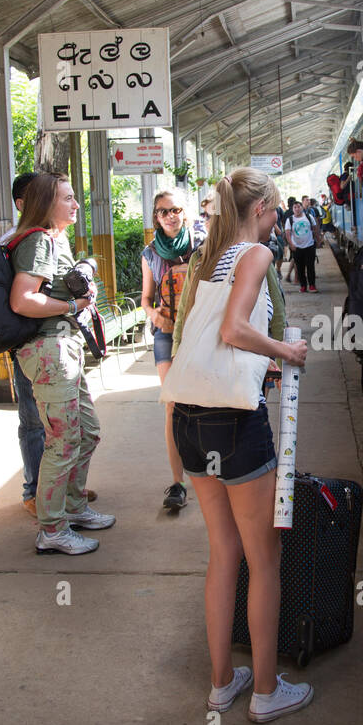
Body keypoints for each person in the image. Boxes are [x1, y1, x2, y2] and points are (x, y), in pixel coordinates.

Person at [170, 168, 312, 723]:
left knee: (223, 551)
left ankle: (222, 683)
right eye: (274, 210)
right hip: (233, 422)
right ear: (260, 210)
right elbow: (233, 329)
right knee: (264, 558)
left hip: (189, 418)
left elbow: (197, 332)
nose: (278, 219)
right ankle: (267, 692)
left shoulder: (208, 257)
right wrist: (284, 351)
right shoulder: (254, 255)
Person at [8, 172, 115, 555]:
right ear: (45, 204)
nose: (75, 204)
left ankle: (73, 507)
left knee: (87, 432)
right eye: (67, 198)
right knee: (63, 440)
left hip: (63, 347)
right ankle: (51, 529)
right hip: (48, 350)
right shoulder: (38, 240)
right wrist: (72, 306)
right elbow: (23, 301)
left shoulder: (55, 239)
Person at [140, 186, 206, 511]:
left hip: (198, 331)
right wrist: (154, 315)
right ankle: (177, 483)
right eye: (164, 211)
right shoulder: (150, 253)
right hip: (166, 332)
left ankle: (211, 475)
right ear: (156, 216)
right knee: (172, 405)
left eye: (176, 209)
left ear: (185, 212)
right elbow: (145, 299)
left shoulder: (201, 247)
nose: (170, 216)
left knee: (205, 401)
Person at [284, 197, 323, 293]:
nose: (297, 209)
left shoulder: (309, 217)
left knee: (310, 267)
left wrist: (318, 241)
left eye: (298, 207)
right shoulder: (290, 220)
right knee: (300, 267)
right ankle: (303, 286)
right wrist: (291, 244)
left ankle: (312, 285)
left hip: (309, 245)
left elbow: (315, 230)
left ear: (302, 208)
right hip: (297, 247)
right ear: (292, 209)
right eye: (295, 207)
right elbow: (288, 233)